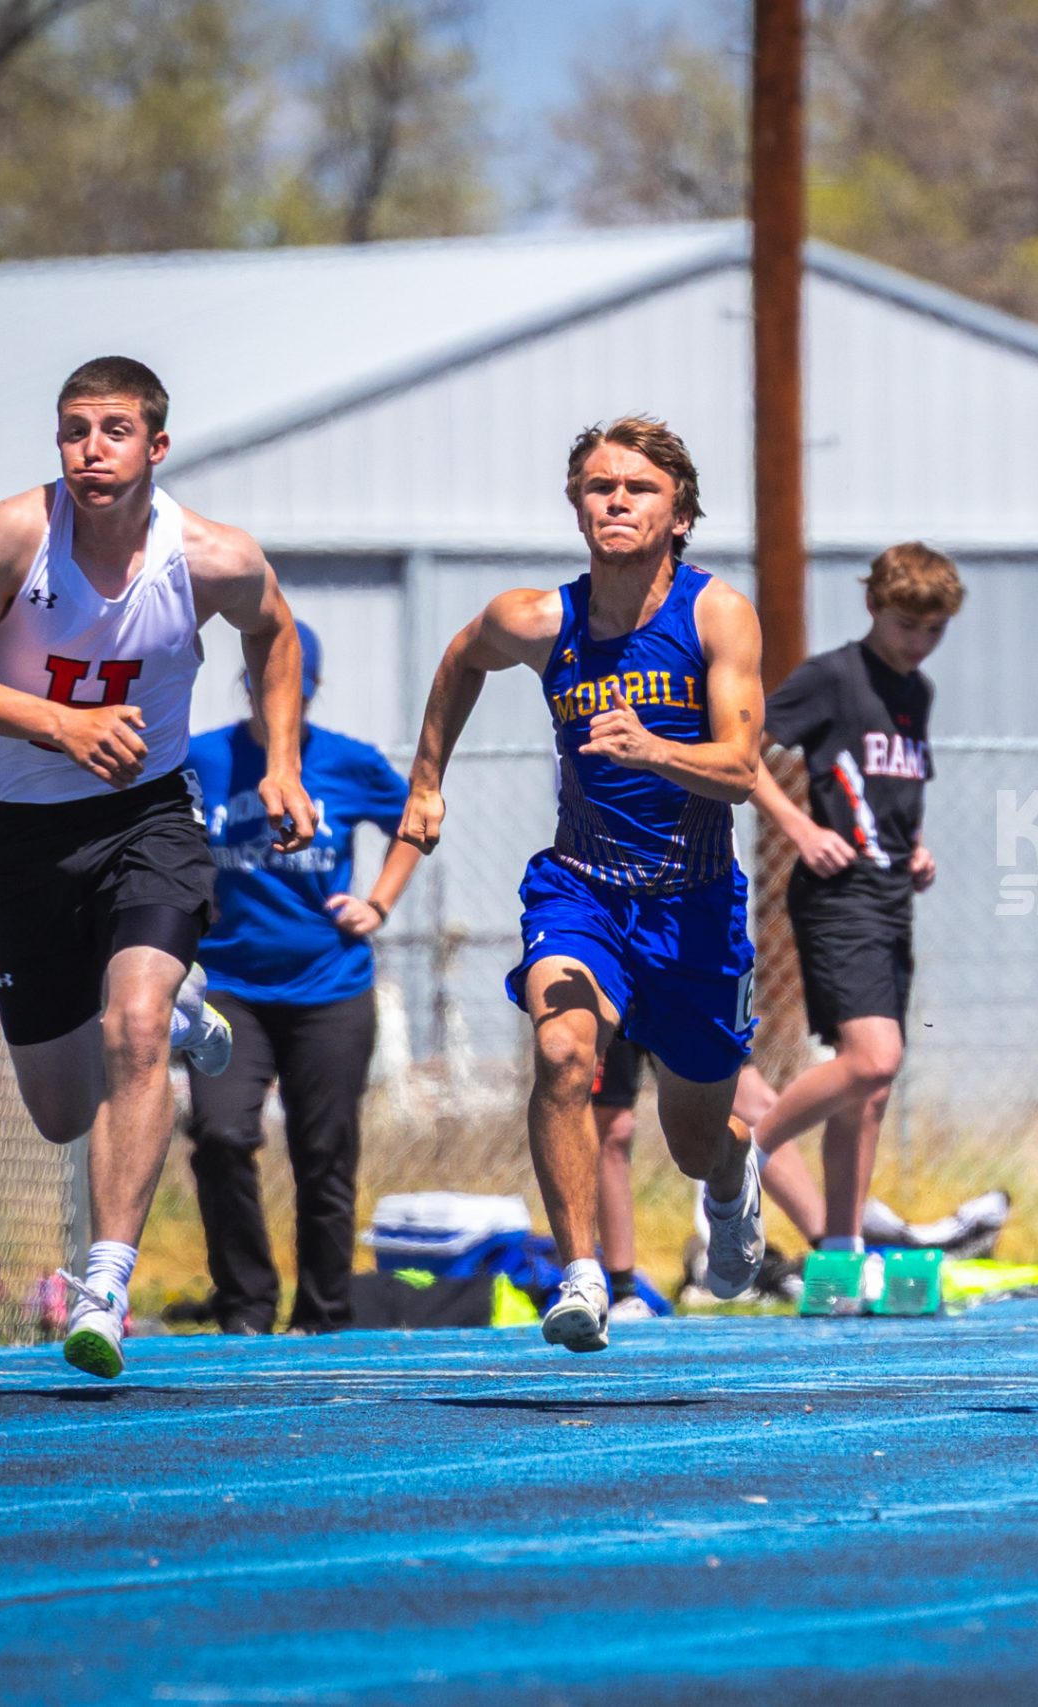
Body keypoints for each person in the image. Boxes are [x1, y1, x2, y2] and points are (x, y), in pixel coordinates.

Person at [0, 356, 314, 1378]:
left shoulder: (209, 557)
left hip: (150, 818)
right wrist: (58, 723)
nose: (93, 449)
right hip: (30, 834)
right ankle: (172, 1014)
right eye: (76, 429)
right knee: (55, 1111)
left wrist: (284, 766)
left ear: (155, 447)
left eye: (115, 430)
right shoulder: (15, 536)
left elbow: (277, 633)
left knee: (130, 1027)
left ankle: (105, 1285)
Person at [391, 414, 766, 1354]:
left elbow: (743, 765)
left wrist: (655, 748)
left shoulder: (716, 613)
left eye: (638, 488)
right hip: (583, 886)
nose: (616, 501)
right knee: (564, 1054)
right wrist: (427, 778)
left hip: (694, 903)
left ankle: (730, 1173)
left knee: (691, 1135)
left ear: (679, 514)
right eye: (599, 487)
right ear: (576, 505)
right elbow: (460, 659)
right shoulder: (538, 618)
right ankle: (584, 1274)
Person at [183, 619, 422, 1334]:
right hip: (227, 985)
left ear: (309, 691)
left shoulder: (347, 762)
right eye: (261, 684)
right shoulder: (202, 758)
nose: (275, 698)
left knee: (324, 1153)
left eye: (291, 687)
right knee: (221, 1135)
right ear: (245, 685)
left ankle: (322, 1315)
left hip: (329, 986)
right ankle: (246, 1307)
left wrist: (379, 899)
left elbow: (417, 817)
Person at [746, 543, 959, 1257]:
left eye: (934, 630)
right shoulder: (831, 678)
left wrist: (918, 845)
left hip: (892, 894)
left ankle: (841, 1254)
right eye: (907, 626)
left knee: (867, 1093)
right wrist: (801, 826)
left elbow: (900, 788)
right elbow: (742, 753)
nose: (919, 643)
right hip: (839, 897)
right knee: (873, 1058)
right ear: (873, 606)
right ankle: (751, 1151)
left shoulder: (918, 691)